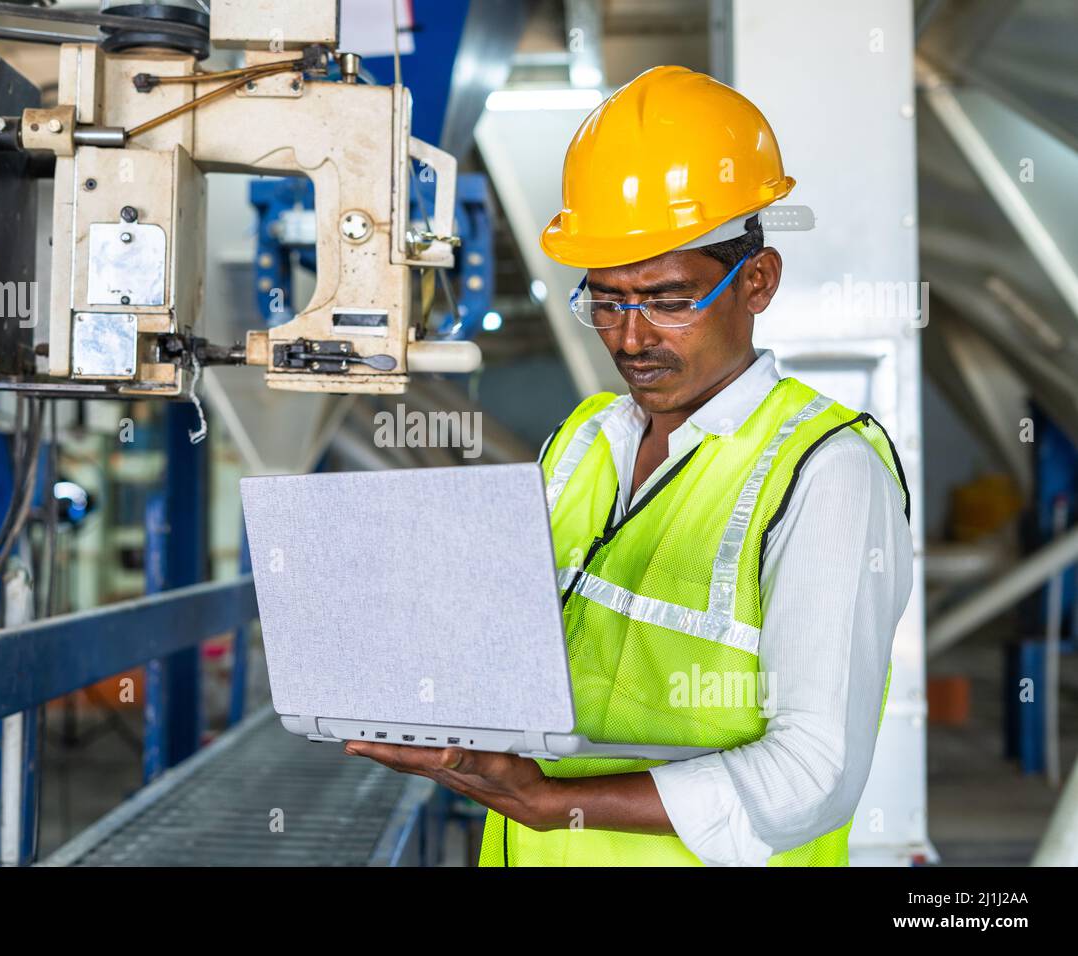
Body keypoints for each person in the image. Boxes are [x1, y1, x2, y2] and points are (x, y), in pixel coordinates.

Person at [345, 65, 913, 866]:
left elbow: (812, 776)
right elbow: (517, 647)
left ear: (758, 281)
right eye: (607, 300)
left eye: (670, 299)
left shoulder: (825, 472)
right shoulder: (582, 439)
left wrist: (552, 803)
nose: (631, 337)